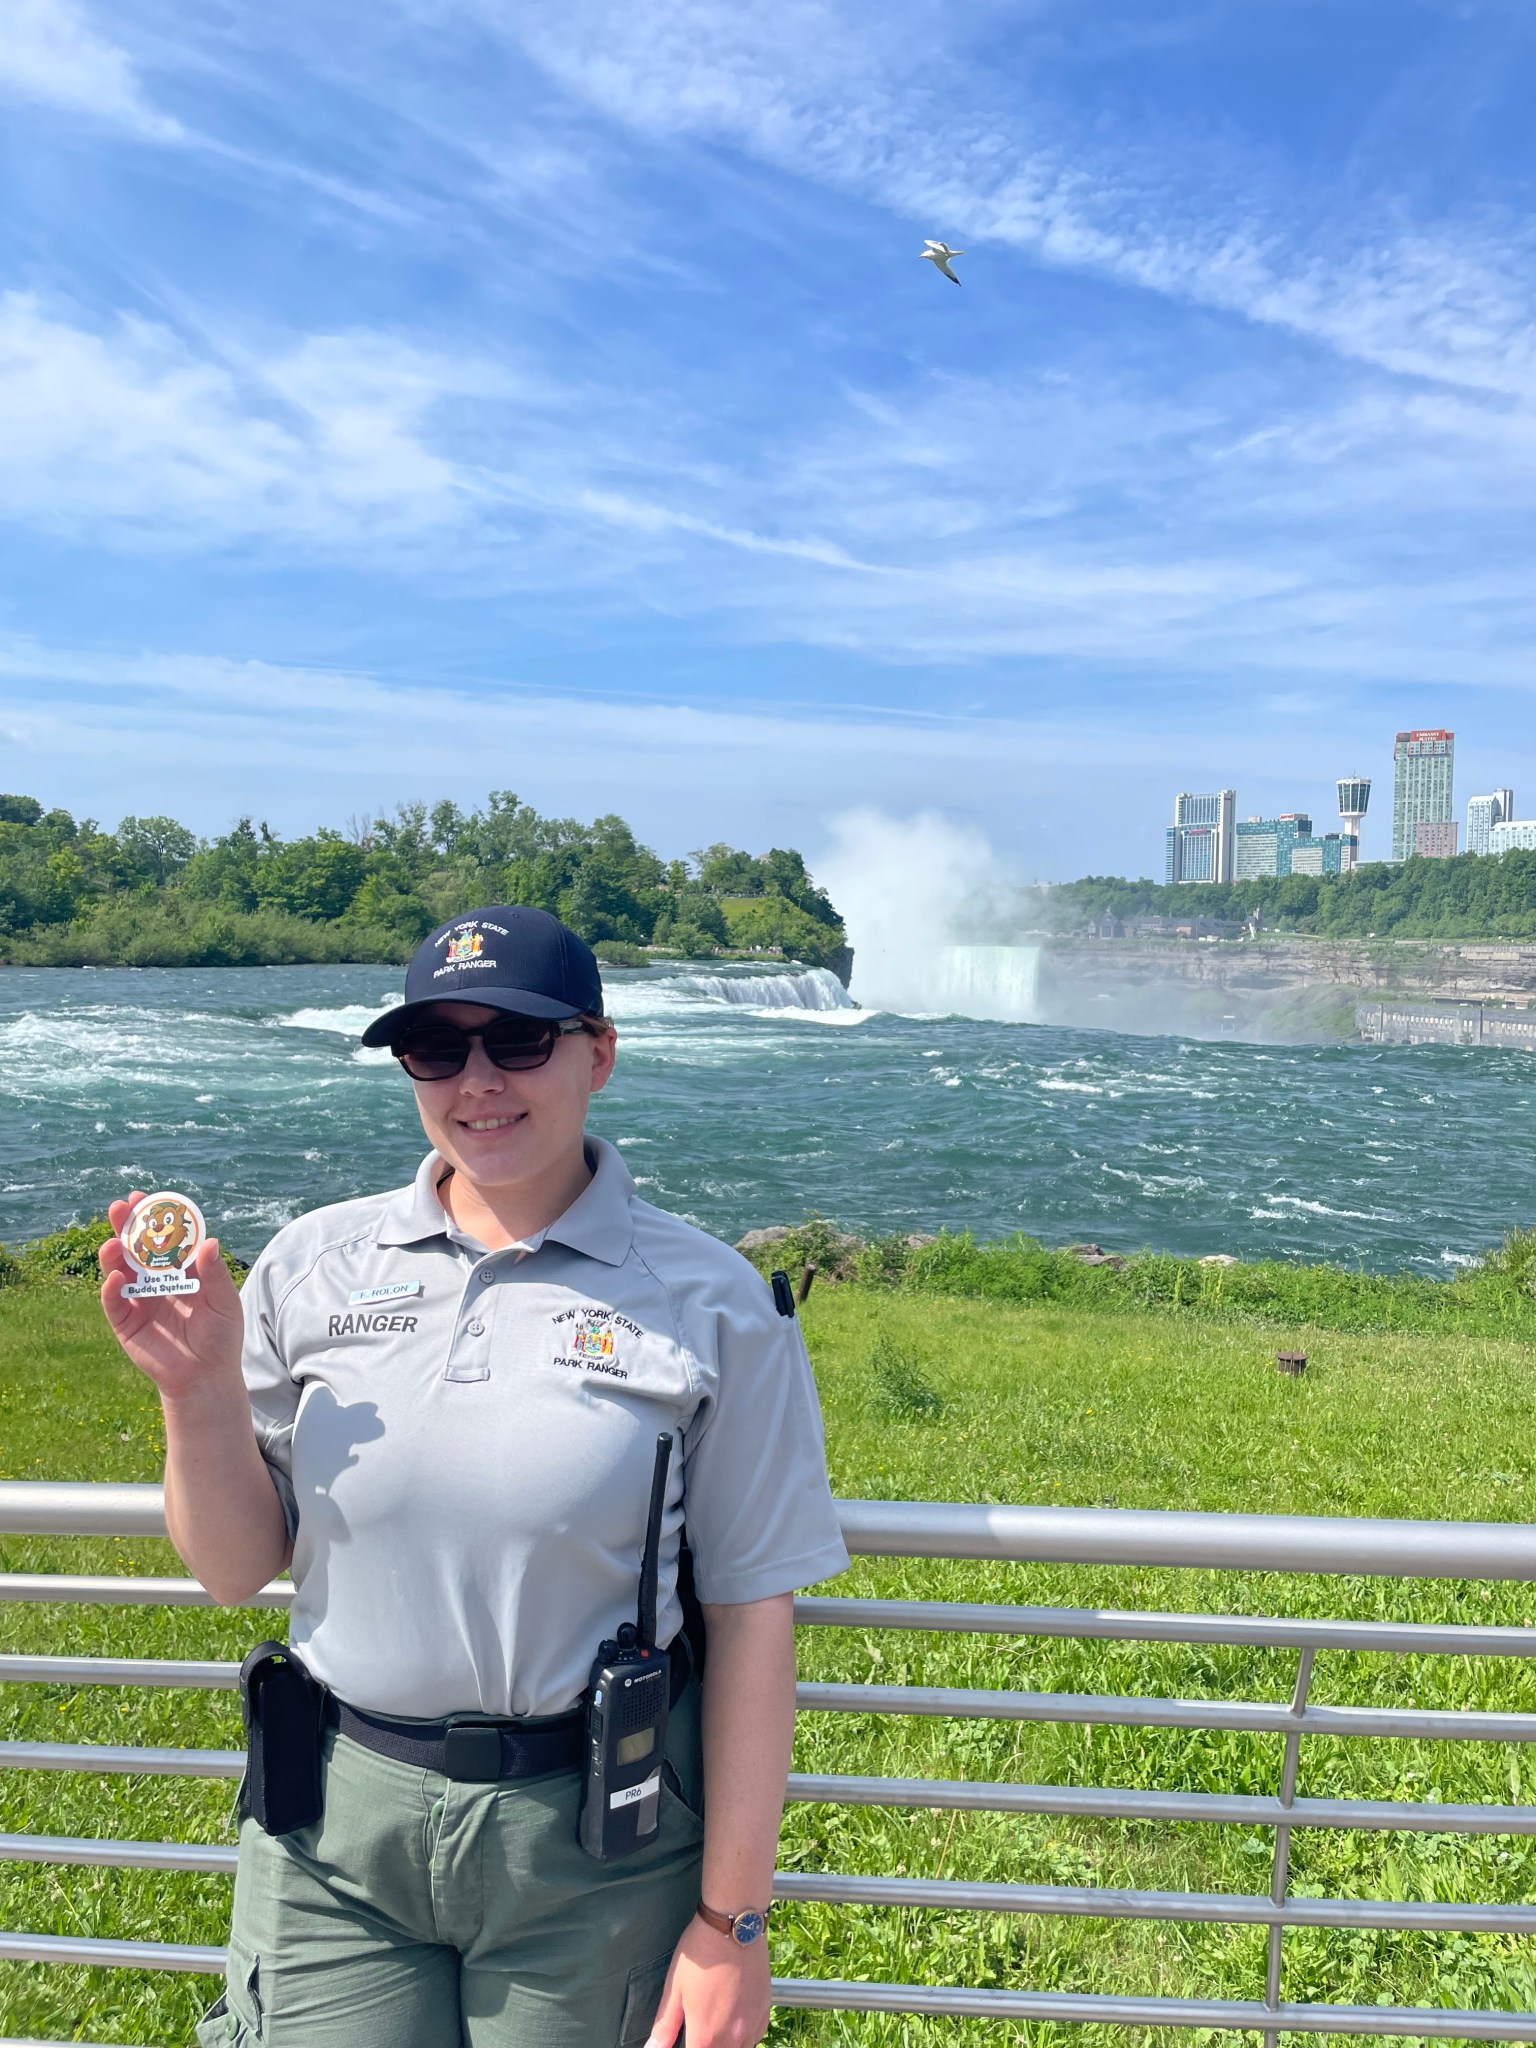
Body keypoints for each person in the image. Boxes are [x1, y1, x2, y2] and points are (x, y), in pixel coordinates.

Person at [99, 905, 849, 2048]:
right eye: (436, 1047)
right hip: (330, 1834)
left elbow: (752, 1615)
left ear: (598, 1052)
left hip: (591, 1847)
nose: (476, 1080)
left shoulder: (713, 1298)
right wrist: (192, 1389)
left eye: (517, 1040)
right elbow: (233, 1564)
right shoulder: (312, 1262)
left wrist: (731, 1917)